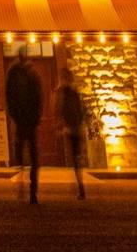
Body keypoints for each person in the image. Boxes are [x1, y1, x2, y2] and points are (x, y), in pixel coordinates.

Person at [4, 51, 45, 202]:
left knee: (20, 156)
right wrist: (37, 117)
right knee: (33, 158)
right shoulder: (31, 74)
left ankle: (22, 188)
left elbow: (9, 96)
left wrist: (13, 115)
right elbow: (38, 96)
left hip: (21, 120)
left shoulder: (13, 73)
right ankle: (32, 191)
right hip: (29, 121)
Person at [55, 67, 88, 198]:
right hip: (74, 127)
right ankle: (79, 185)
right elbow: (79, 111)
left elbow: (63, 110)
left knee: (75, 157)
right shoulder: (73, 93)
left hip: (71, 128)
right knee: (75, 157)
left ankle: (80, 186)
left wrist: (64, 126)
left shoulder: (65, 93)